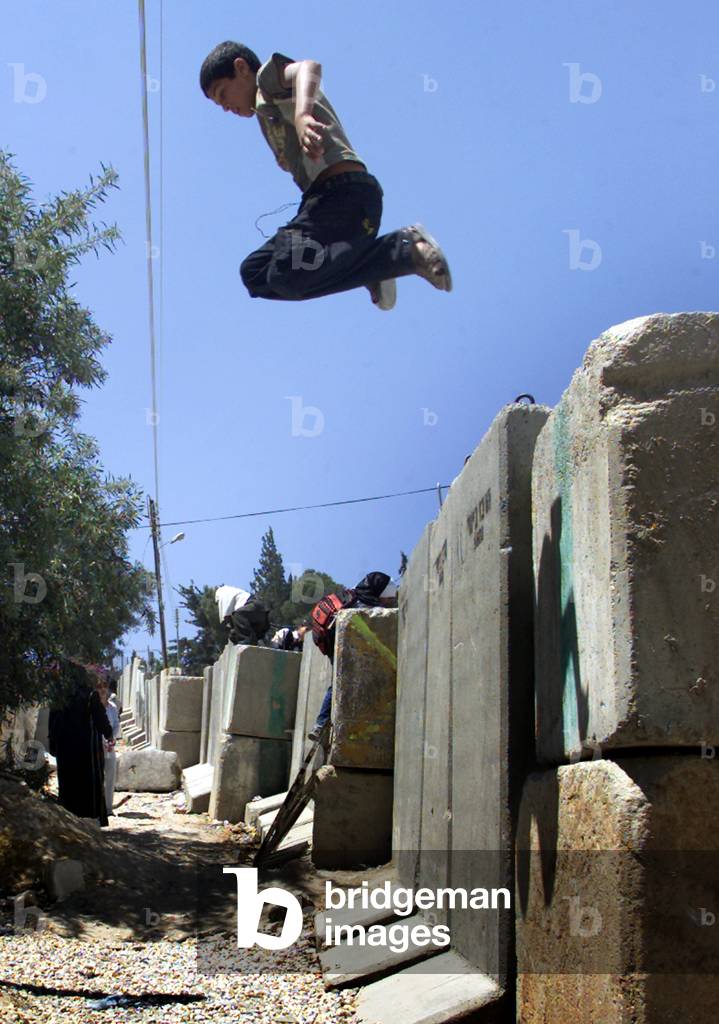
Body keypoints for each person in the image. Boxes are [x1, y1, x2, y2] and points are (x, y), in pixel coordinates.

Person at [199, 43, 452, 311]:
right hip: (325, 207)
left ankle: (401, 251)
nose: (226, 108)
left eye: (223, 94)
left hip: (344, 195)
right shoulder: (265, 116)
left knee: (287, 272)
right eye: (219, 105)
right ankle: (376, 265)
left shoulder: (266, 81)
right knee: (254, 272)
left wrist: (302, 114)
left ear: (241, 68)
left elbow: (309, 68)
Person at [308, 572, 398, 740]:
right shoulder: (364, 606)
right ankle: (322, 723)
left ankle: (320, 724)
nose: (388, 603)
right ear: (380, 594)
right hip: (340, 644)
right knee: (341, 683)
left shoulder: (354, 595)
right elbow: (378, 617)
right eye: (388, 599)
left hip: (331, 641)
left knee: (336, 683)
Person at [48, 661, 114, 827]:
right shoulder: (90, 695)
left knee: (68, 783)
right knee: (89, 785)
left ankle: (68, 819)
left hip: (65, 750)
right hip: (87, 751)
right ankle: (90, 819)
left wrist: (53, 745)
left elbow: (53, 722)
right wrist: (108, 734)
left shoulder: (59, 696)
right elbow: (101, 718)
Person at [98, 680, 121, 816]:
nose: (102, 690)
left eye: (104, 687)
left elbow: (116, 725)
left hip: (110, 747)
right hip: (97, 747)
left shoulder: (112, 707)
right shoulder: (93, 707)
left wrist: (112, 739)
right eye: (99, 687)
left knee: (111, 775)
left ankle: (108, 807)